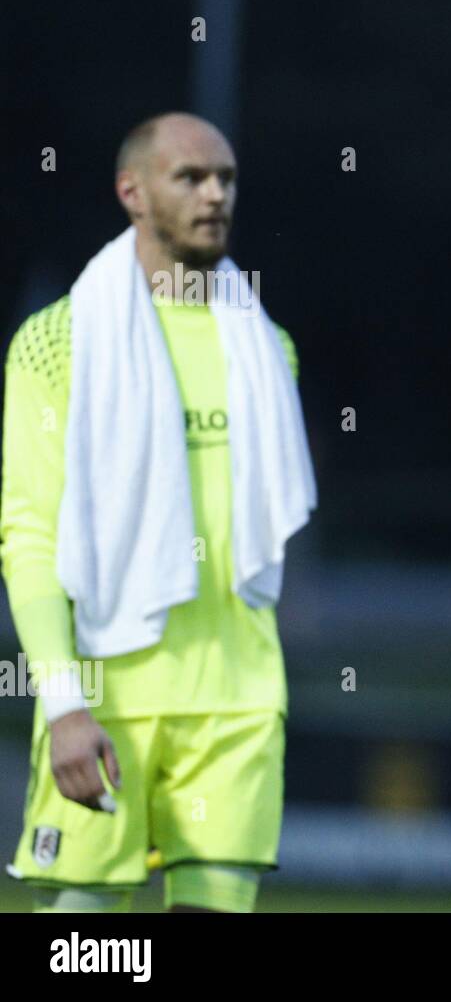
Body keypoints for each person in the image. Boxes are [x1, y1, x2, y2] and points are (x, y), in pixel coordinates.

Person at [1, 112, 316, 912]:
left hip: (239, 703)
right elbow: (29, 534)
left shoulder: (266, 346)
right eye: (192, 177)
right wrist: (63, 700)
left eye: (227, 178)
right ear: (132, 193)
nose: (216, 195)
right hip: (106, 697)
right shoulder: (56, 342)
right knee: (83, 947)